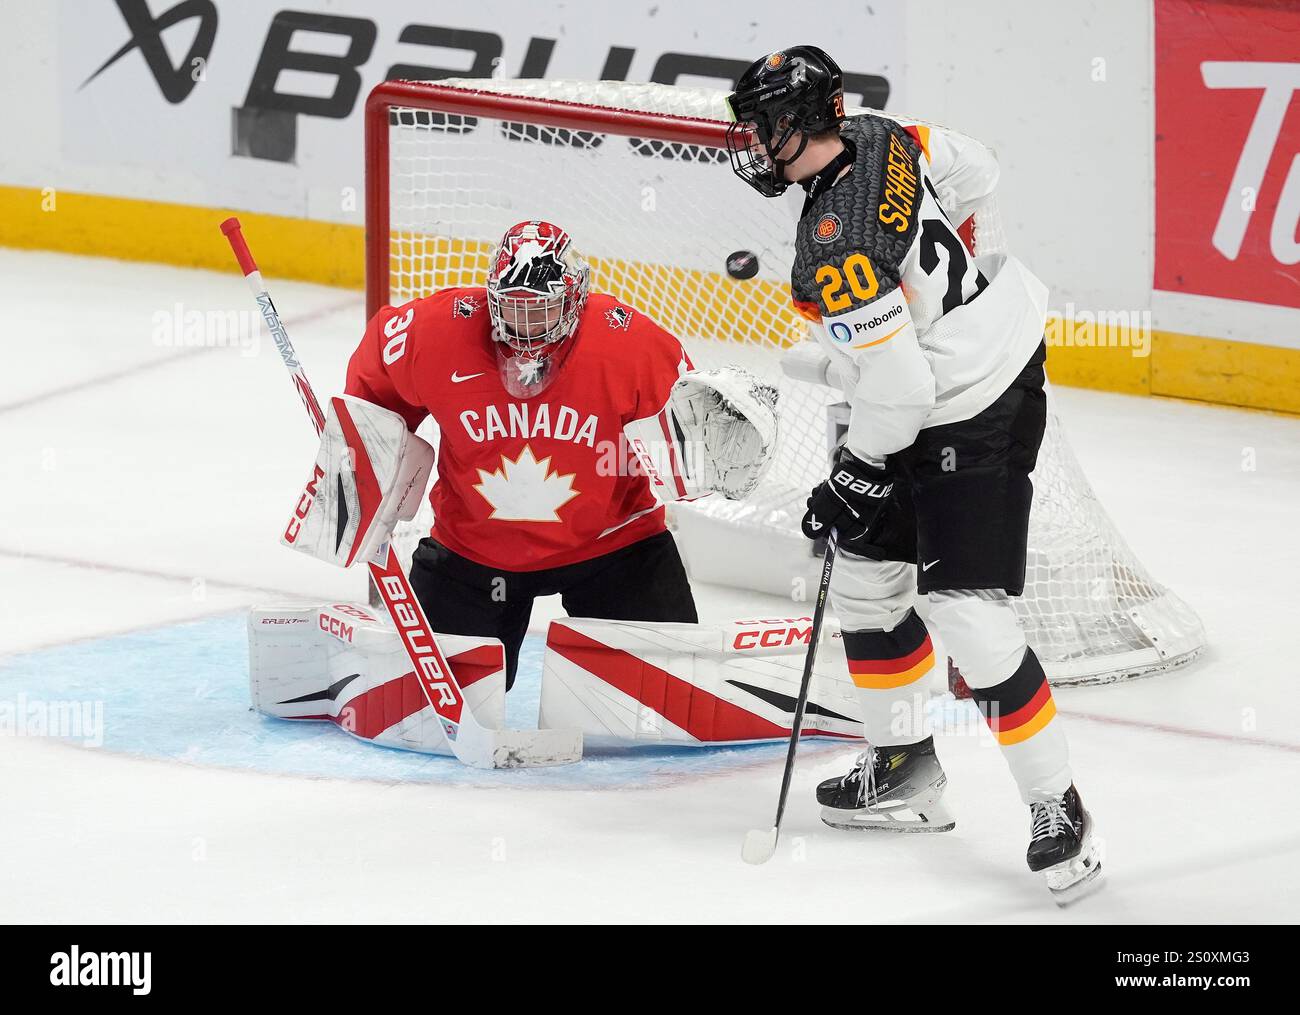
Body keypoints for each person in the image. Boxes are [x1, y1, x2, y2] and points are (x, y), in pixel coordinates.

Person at [724, 47, 1101, 903]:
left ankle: (1057, 804)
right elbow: (980, 169)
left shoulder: (835, 246)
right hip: (946, 371)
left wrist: (851, 477)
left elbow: (902, 388)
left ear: (793, 125)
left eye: (758, 125)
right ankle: (901, 765)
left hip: (975, 401)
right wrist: (911, 307)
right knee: (866, 583)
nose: (750, 142)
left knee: (968, 614)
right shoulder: (881, 134)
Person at [340, 219, 774, 689]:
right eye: (513, 308)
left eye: (541, 310)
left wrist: (719, 444)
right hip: (474, 553)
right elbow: (373, 388)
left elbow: (687, 428)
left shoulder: (629, 343)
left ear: (573, 300)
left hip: (612, 548)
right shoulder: (435, 332)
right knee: (423, 702)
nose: (526, 326)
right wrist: (360, 455)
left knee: (665, 696)